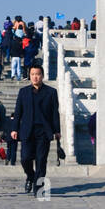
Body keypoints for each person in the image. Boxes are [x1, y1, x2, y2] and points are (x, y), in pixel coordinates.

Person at [11, 61, 62, 195]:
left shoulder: (51, 92)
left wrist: (57, 130)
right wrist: (14, 129)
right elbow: (18, 112)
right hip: (27, 130)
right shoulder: (23, 92)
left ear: (42, 75)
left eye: (38, 74)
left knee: (41, 160)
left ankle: (39, 188)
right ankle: (30, 176)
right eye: (33, 74)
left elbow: (54, 113)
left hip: (43, 131)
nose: (35, 77)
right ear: (29, 75)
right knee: (25, 158)